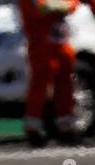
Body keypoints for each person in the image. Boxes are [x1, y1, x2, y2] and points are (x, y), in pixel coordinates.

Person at [19, 0, 80, 146]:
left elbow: (73, 4)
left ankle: (65, 127)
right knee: (39, 84)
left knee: (65, 84)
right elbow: (41, 8)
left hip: (61, 43)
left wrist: (63, 6)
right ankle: (33, 129)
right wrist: (61, 6)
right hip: (41, 43)